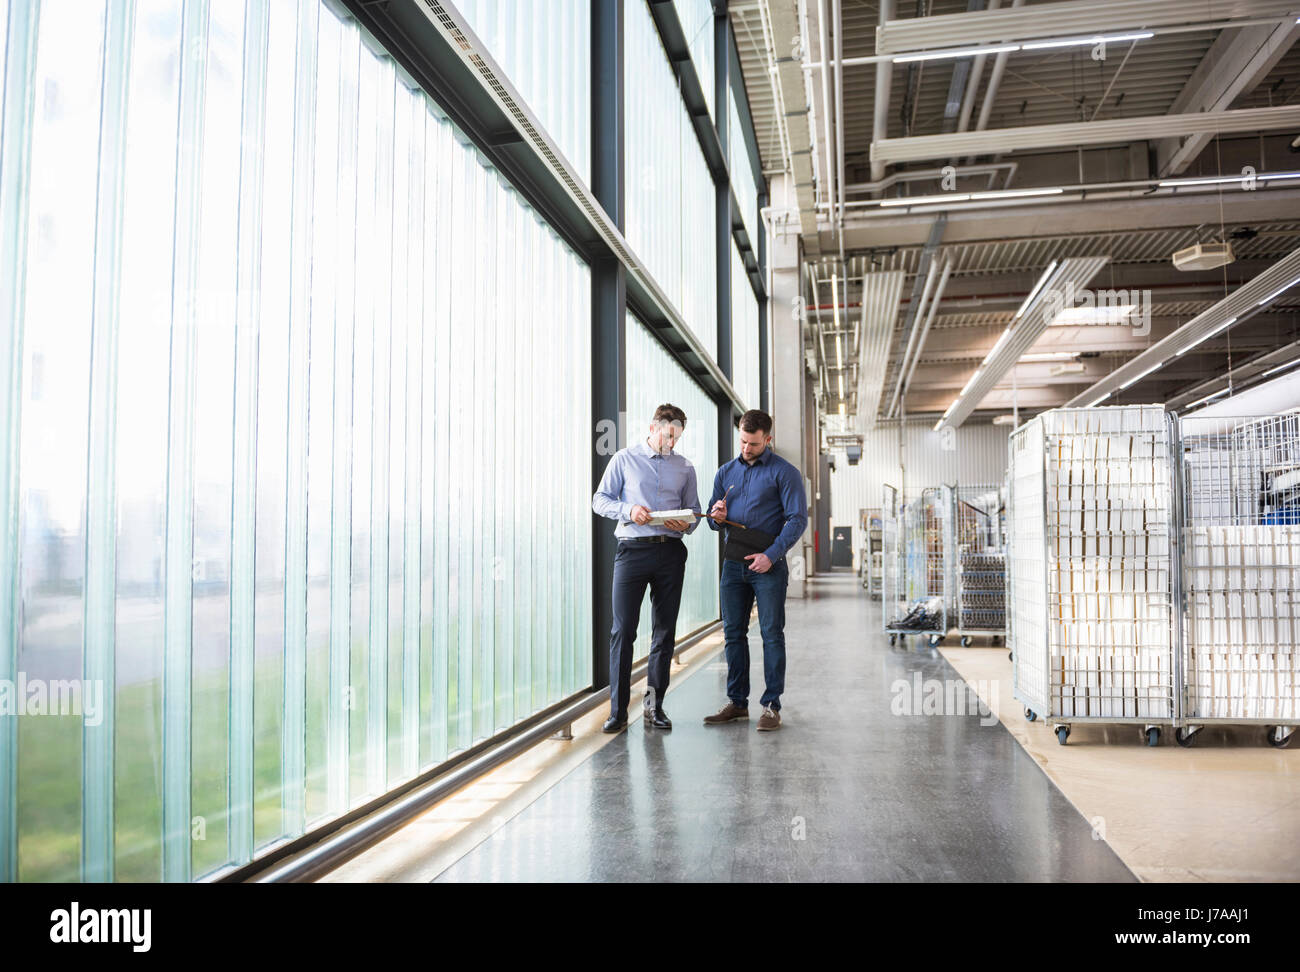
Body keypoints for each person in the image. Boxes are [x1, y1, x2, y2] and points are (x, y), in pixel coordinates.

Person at [592, 404, 702, 733]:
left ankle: (654, 708)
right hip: (632, 552)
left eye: (677, 438)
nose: (672, 444)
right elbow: (600, 500)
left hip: (670, 553)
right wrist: (629, 510)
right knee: (623, 631)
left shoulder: (685, 467)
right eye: (668, 436)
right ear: (653, 427)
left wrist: (683, 523)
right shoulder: (624, 460)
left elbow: (694, 513)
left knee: (664, 633)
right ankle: (617, 711)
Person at [703, 409, 807, 731]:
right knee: (733, 633)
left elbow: (797, 519)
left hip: (768, 565)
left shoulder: (785, 473)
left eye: (753, 444)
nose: (746, 449)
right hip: (733, 564)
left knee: (771, 635)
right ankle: (737, 703)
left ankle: (771, 706)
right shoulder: (725, 472)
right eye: (743, 442)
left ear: (768, 439)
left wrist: (771, 555)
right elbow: (712, 519)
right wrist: (716, 516)